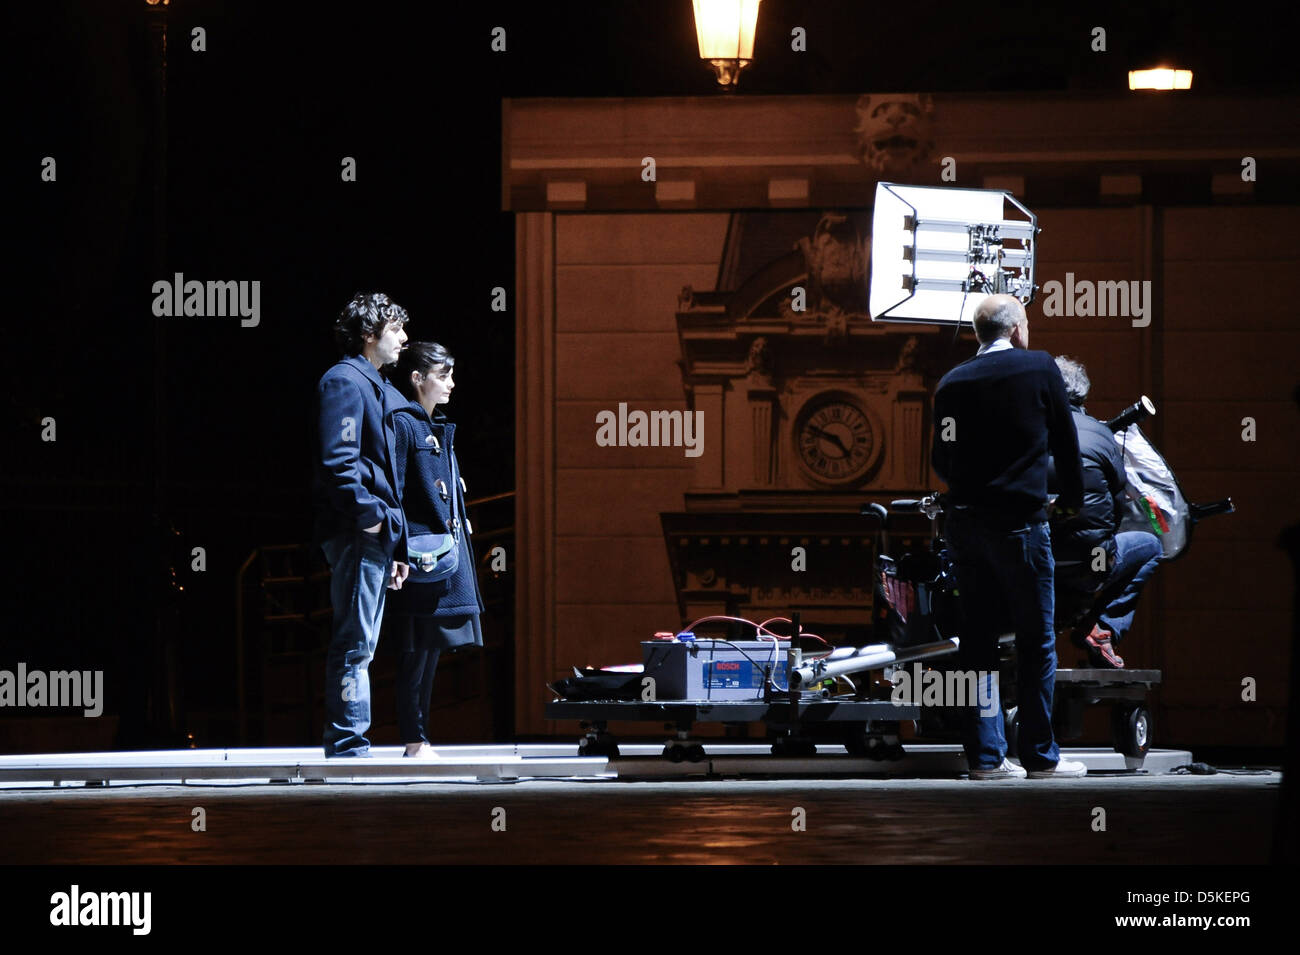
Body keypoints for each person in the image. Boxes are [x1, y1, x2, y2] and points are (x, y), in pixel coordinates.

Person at [932, 294, 1087, 780]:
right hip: (1020, 523)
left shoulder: (951, 382)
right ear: (1018, 328)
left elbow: (941, 458)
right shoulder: (1040, 367)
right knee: (1036, 640)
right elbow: (1066, 443)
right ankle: (1040, 756)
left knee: (977, 643)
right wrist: (1071, 502)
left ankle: (986, 759)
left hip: (965, 525)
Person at [312, 292, 411, 758]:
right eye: (395, 329)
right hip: (357, 531)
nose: (404, 338)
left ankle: (350, 744)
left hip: (371, 533)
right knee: (355, 642)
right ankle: (348, 745)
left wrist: (394, 544)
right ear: (370, 334)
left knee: (361, 642)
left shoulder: (377, 386)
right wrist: (372, 521)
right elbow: (340, 464)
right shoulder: (345, 381)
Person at [386, 342, 486, 758]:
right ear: (417, 378)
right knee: (416, 651)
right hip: (419, 557)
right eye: (442, 375)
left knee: (429, 649)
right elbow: (394, 491)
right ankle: (415, 739)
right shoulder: (404, 424)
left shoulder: (433, 426)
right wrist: (397, 550)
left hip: (442, 553)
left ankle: (419, 738)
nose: (451, 383)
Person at [1049, 356, 1162, 669]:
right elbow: (1117, 504)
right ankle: (1104, 627)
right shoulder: (1101, 435)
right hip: (1091, 562)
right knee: (1152, 546)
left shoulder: (1028, 431)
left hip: (1036, 561)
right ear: (1082, 395)